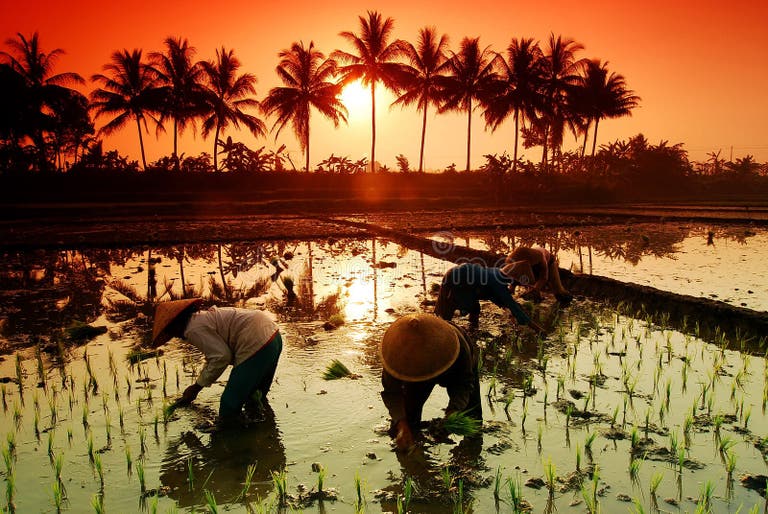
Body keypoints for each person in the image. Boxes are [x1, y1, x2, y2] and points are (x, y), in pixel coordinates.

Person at [151, 298, 283, 424]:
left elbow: (221, 357)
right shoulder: (202, 318)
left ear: (176, 323)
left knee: (229, 406)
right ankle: (264, 433)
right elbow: (215, 356)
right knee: (255, 397)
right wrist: (199, 385)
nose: (174, 335)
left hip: (256, 341)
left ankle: (234, 441)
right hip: (273, 335)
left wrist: (196, 387)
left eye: (171, 331)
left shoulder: (192, 329)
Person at [380, 313, 481, 452]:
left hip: (453, 364)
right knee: (408, 421)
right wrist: (401, 423)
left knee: (472, 419)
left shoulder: (458, 347)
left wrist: (452, 414)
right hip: (414, 374)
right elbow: (391, 392)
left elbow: (463, 385)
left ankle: (470, 456)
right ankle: (414, 462)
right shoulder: (394, 354)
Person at [434, 261, 545, 331]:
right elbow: (513, 306)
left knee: (475, 308)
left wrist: (505, 306)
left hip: (458, 276)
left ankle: (472, 329)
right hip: (458, 281)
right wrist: (536, 328)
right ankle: (442, 330)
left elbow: (492, 294)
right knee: (448, 312)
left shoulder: (497, 273)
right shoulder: (498, 284)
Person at [506, 246, 573, 304]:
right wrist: (510, 289)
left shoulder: (540, 256)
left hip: (549, 263)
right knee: (528, 286)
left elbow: (544, 278)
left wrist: (535, 289)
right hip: (528, 265)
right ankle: (536, 300)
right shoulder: (511, 260)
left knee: (559, 293)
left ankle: (568, 300)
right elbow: (514, 276)